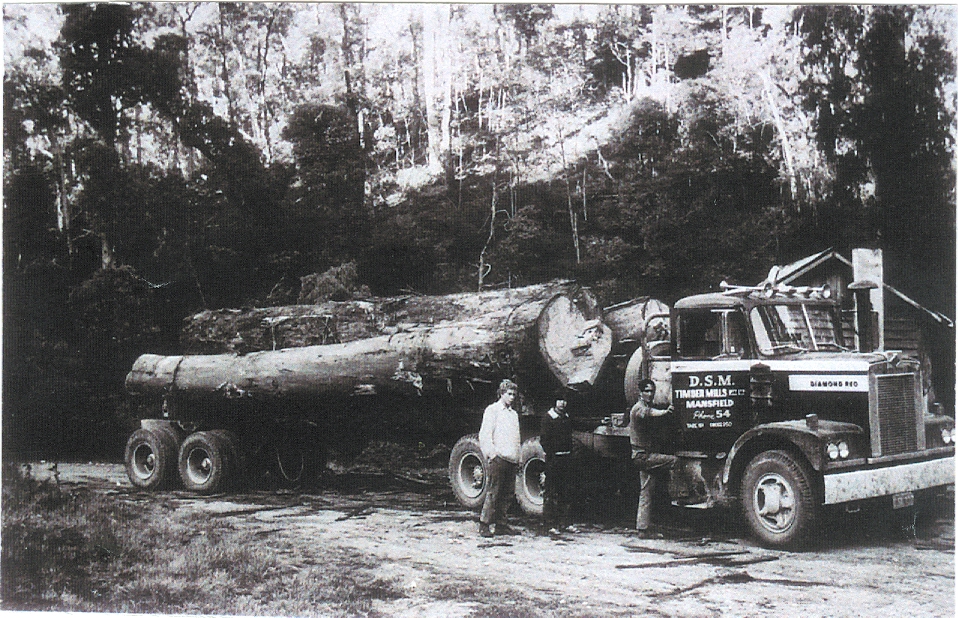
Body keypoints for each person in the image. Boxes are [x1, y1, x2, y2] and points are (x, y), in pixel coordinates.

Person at [618, 378, 676, 533]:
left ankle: (642, 527)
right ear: (640, 392)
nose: (650, 394)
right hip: (642, 456)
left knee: (646, 491)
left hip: (644, 455)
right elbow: (649, 413)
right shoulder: (638, 408)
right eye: (647, 391)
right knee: (674, 461)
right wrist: (666, 412)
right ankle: (683, 494)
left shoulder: (646, 405)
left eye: (652, 391)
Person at [478, 379, 522, 537]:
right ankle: (484, 523)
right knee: (494, 491)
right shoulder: (492, 410)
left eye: (514, 395)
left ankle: (501, 524)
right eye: (509, 394)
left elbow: (516, 438)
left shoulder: (513, 415)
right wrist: (492, 454)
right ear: (501, 394)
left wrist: (518, 457)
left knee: (507, 493)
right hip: (498, 459)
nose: (512, 397)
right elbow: (485, 435)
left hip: (511, 459)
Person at [539, 389, 577, 536]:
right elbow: (544, 440)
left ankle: (565, 523)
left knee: (565, 492)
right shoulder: (548, 418)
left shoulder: (566, 417)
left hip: (566, 458)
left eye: (565, 400)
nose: (563, 403)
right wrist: (552, 455)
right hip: (554, 459)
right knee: (551, 492)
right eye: (560, 400)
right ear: (555, 402)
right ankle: (550, 524)